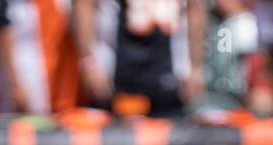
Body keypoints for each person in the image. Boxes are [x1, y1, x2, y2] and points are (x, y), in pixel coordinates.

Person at [71, 0, 208, 117]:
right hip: (115, 73)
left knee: (167, 139)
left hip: (167, 72)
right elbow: (84, 4)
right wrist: (89, 62)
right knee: (116, 140)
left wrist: (195, 67)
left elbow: (195, 7)